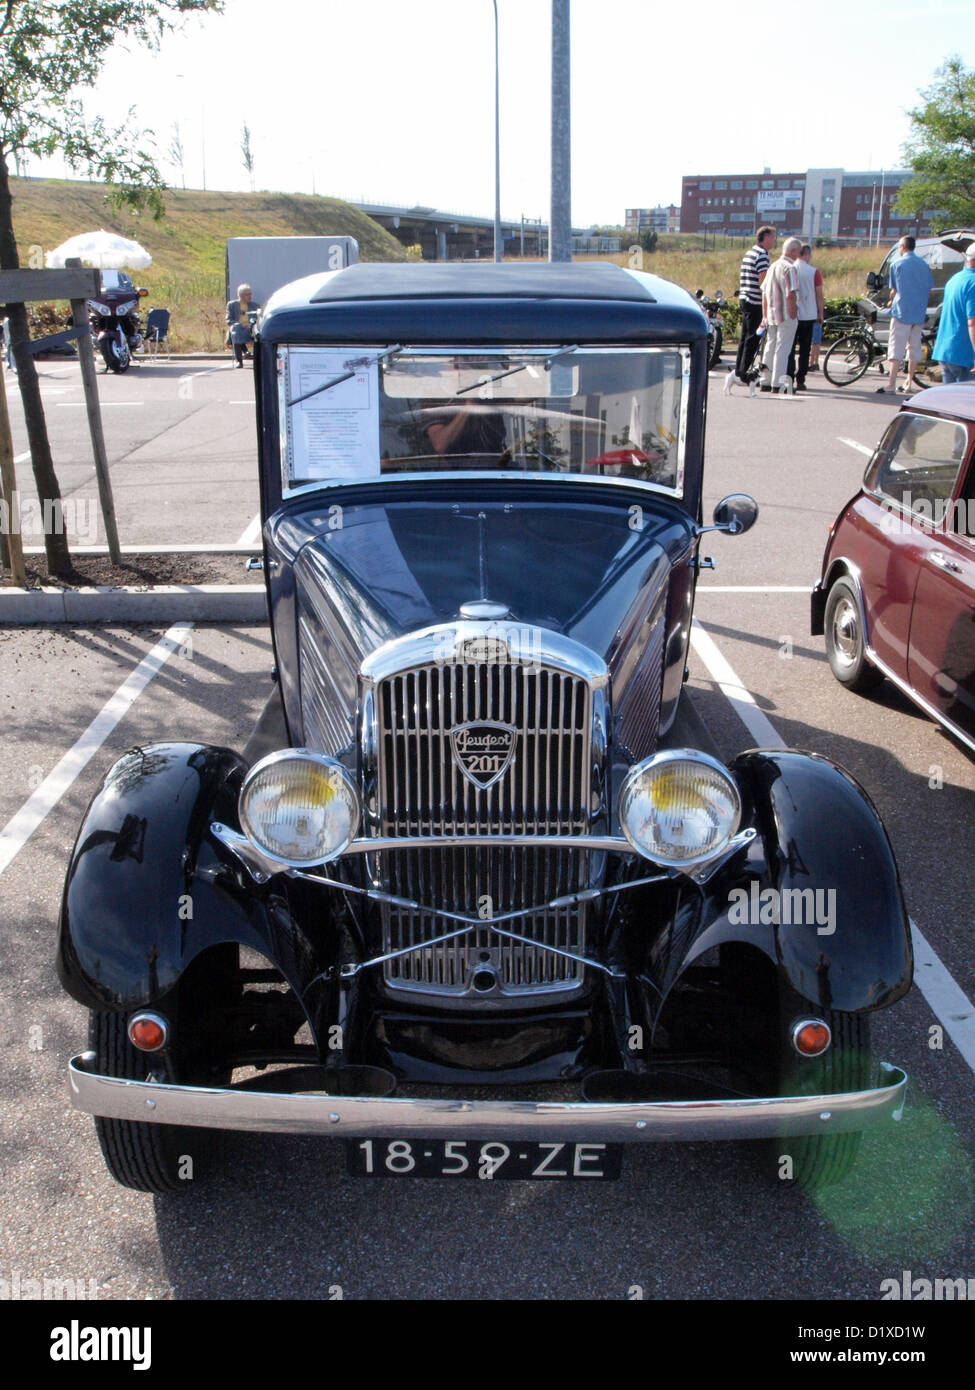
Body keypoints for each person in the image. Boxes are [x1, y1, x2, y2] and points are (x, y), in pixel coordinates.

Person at [879, 235, 933, 394]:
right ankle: (909, 383)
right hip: (919, 312)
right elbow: (929, 288)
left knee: (896, 348)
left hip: (902, 311)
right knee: (914, 348)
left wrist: (890, 301)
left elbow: (894, 289)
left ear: (902, 247)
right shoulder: (924, 264)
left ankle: (891, 384)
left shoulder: (897, 264)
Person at [732, 225, 776, 384]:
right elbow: (763, 282)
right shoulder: (762, 255)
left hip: (745, 297)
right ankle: (744, 373)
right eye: (773, 237)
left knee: (745, 337)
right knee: (752, 338)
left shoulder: (750, 252)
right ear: (765, 237)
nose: (774, 240)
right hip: (755, 300)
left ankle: (739, 369)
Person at [760, 236, 801, 392]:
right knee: (782, 349)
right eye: (798, 251)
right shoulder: (790, 268)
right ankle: (778, 383)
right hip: (785, 314)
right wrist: (793, 312)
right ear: (793, 251)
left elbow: (764, 292)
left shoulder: (773, 266)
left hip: (771, 314)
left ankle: (765, 380)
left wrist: (764, 314)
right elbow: (791, 294)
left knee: (770, 347)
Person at [931, 242, 975, 384]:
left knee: (948, 401)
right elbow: (972, 322)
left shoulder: (954, 279)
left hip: (945, 349)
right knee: (966, 402)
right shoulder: (973, 283)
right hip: (964, 353)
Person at [786, 244, 824, 389]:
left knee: (790, 348)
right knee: (804, 349)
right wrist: (821, 313)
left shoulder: (790, 268)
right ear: (807, 255)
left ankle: (788, 377)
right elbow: (819, 295)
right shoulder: (814, 272)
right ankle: (800, 379)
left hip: (792, 313)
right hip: (809, 314)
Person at [226, 283, 260, 367]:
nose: (250, 296)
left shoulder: (255, 306)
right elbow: (229, 320)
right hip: (237, 328)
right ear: (240, 295)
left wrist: (250, 325)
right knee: (236, 329)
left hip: (251, 328)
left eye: (250, 294)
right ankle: (239, 360)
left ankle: (245, 352)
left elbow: (259, 320)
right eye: (247, 294)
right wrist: (242, 325)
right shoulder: (232, 305)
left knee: (238, 331)